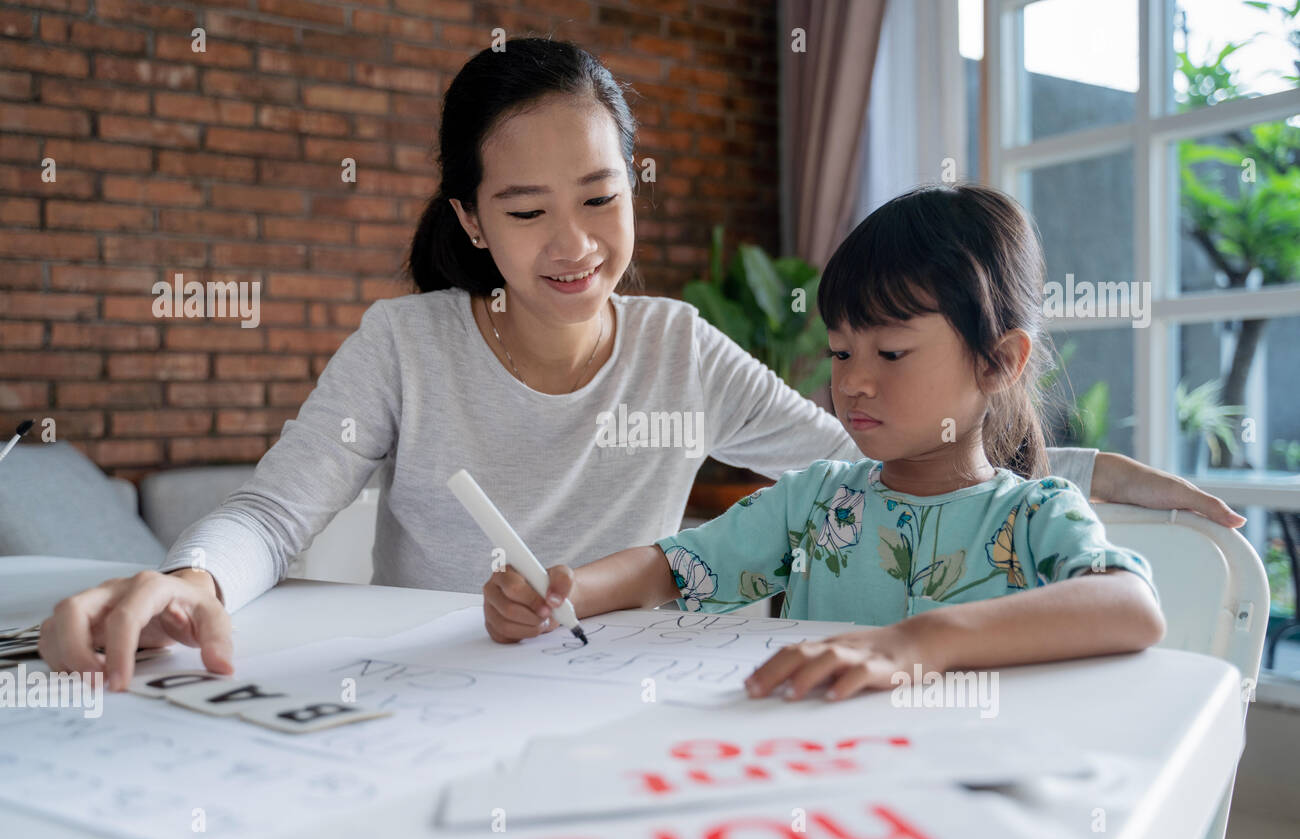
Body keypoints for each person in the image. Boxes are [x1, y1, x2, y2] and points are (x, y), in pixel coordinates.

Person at [38, 39, 1238, 693]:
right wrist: (193, 574)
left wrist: (1092, 466)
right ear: (470, 220)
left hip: (615, 693)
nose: (573, 245)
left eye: (601, 196)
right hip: (427, 683)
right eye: (524, 208)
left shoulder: (673, 346)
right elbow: (272, 510)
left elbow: (889, 449)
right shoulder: (405, 344)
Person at [482, 184, 1166, 703]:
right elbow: (669, 567)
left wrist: (921, 642)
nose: (854, 383)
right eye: (840, 352)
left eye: (892, 354)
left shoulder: (1036, 513)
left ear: (998, 362)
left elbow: (1132, 608)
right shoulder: (815, 502)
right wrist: (562, 591)